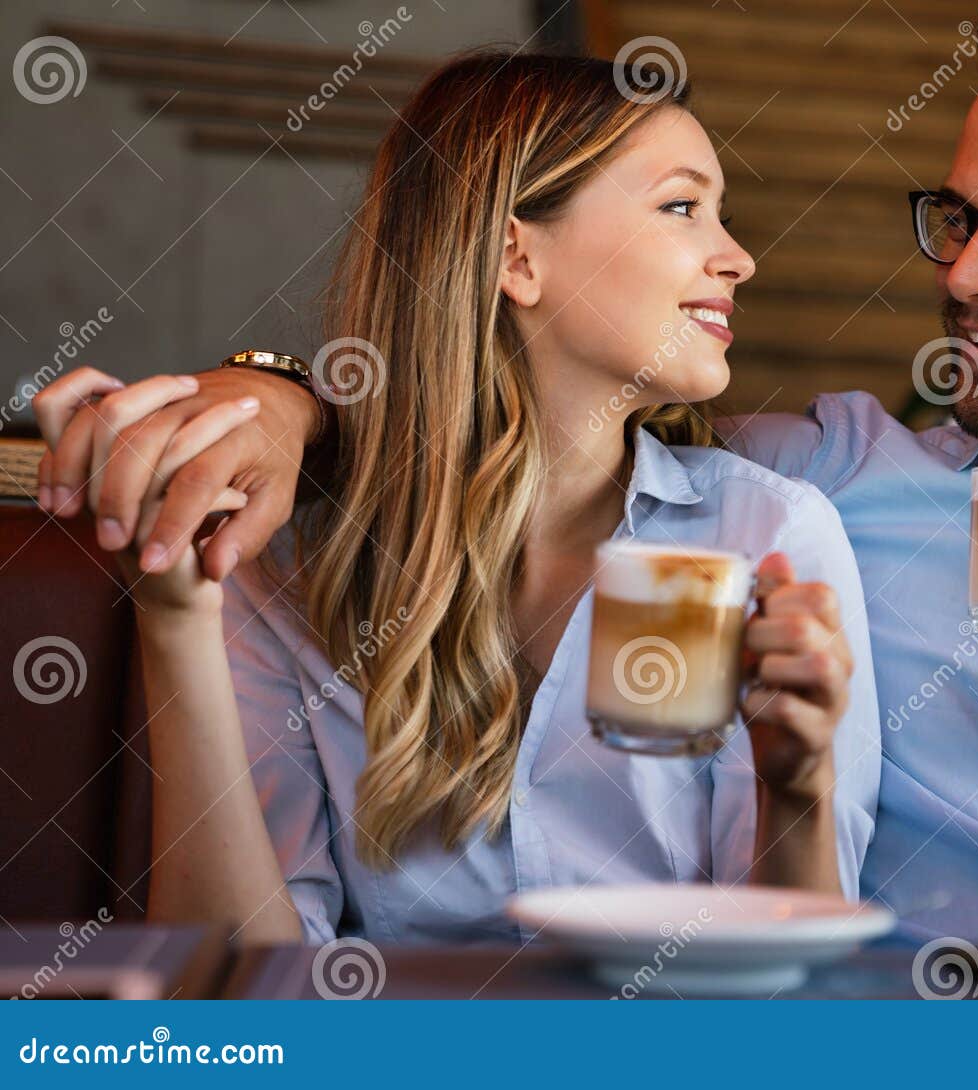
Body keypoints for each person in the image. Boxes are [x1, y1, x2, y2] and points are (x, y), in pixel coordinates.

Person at [35, 1, 978, 954]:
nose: (970, 272)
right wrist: (291, 402)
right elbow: (521, 437)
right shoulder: (817, 482)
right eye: (955, 218)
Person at [33, 51, 880, 946]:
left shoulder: (767, 534)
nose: (738, 257)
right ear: (516, 256)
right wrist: (175, 614)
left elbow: (795, 1005)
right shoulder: (288, 560)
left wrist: (801, 783)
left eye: (722, 216)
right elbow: (245, 997)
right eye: (681, 207)